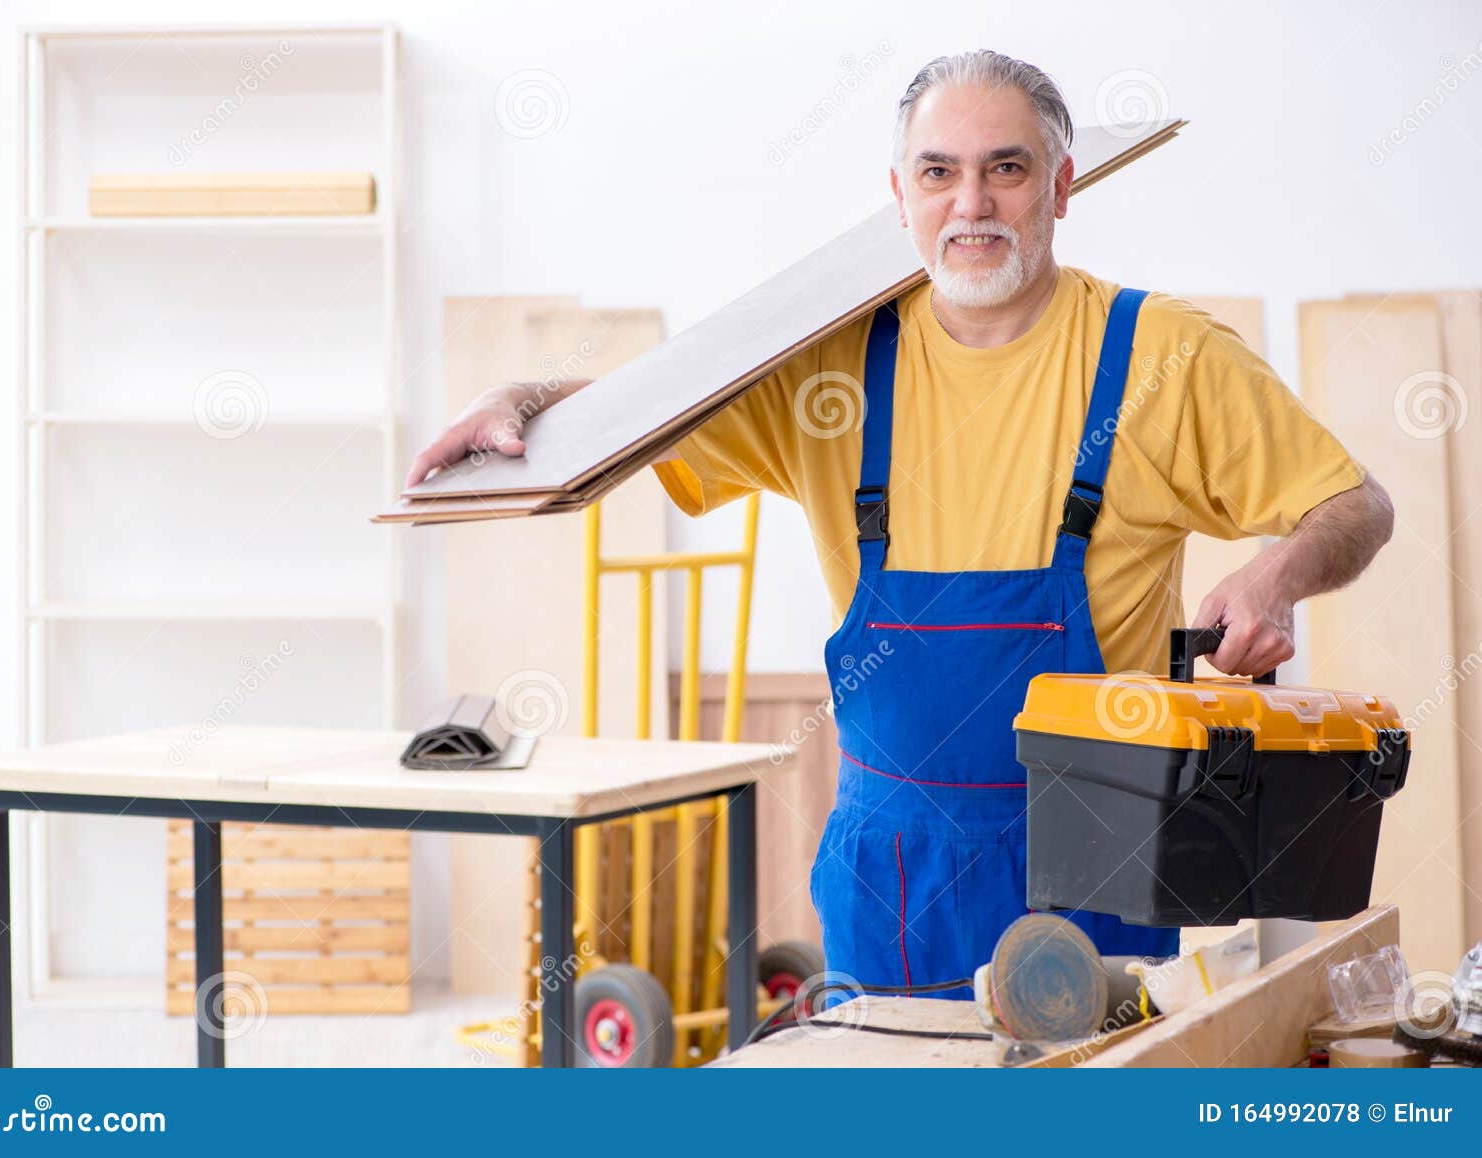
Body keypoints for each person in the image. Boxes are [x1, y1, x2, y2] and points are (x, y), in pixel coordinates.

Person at [407, 50, 1394, 995]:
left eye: (1006, 169)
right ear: (900, 196)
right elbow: (644, 411)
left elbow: (1354, 502)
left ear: (1061, 186)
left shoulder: (1161, 357)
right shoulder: (826, 373)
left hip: (1100, 860)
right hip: (890, 879)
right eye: (938, 172)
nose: (971, 204)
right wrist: (522, 397)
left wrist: (1276, 575)